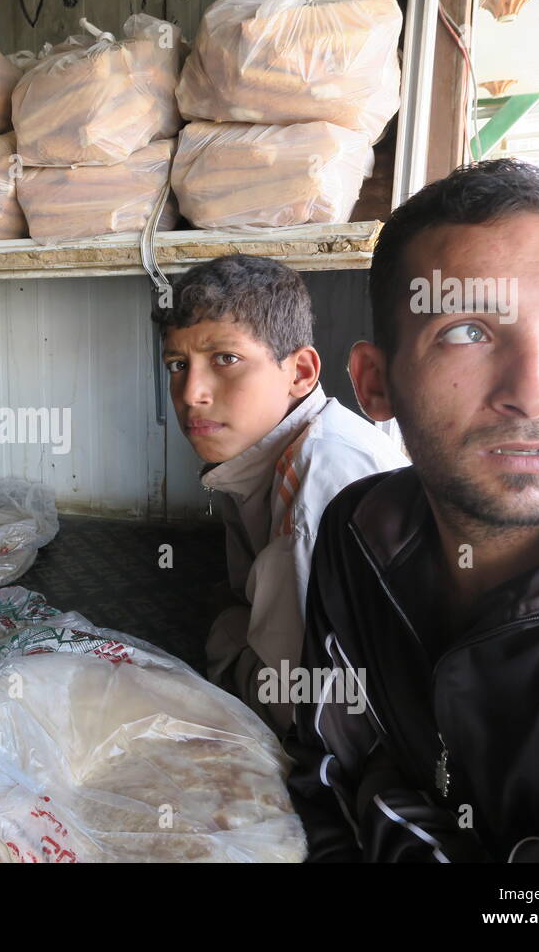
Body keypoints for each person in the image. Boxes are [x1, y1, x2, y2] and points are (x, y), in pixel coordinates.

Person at [286, 157, 539, 861]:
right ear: (376, 385)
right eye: (467, 330)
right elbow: (326, 772)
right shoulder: (358, 533)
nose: (535, 393)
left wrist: (383, 808)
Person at [154, 254, 407, 735]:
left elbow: (296, 709)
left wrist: (224, 634)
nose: (191, 394)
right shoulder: (264, 453)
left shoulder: (319, 487)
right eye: (177, 364)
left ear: (301, 372)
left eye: (226, 359)